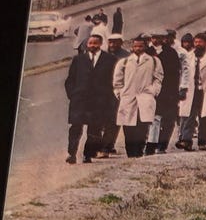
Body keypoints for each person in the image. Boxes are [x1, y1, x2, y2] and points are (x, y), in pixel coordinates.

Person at [63, 33, 116, 164]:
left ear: (101, 44)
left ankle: (88, 155)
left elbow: (113, 80)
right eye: (90, 43)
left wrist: (108, 98)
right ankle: (72, 154)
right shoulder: (78, 59)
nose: (92, 45)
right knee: (75, 128)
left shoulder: (110, 59)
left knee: (95, 129)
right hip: (80, 100)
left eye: (95, 43)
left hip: (99, 101)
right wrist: (73, 95)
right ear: (87, 44)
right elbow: (70, 80)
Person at [113, 34, 163, 158]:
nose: (138, 48)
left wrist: (153, 91)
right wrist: (120, 93)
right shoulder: (124, 62)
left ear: (145, 47)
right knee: (128, 128)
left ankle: (139, 152)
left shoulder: (153, 61)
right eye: (135, 46)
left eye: (140, 46)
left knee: (142, 127)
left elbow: (158, 78)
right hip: (128, 98)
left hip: (145, 97)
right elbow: (117, 81)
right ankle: (130, 154)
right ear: (132, 47)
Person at [176, 33, 206, 151]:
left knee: (204, 117)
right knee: (189, 115)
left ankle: (202, 142)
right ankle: (186, 141)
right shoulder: (189, 56)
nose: (197, 44)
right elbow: (184, 72)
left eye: (200, 42)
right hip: (192, 90)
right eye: (196, 42)